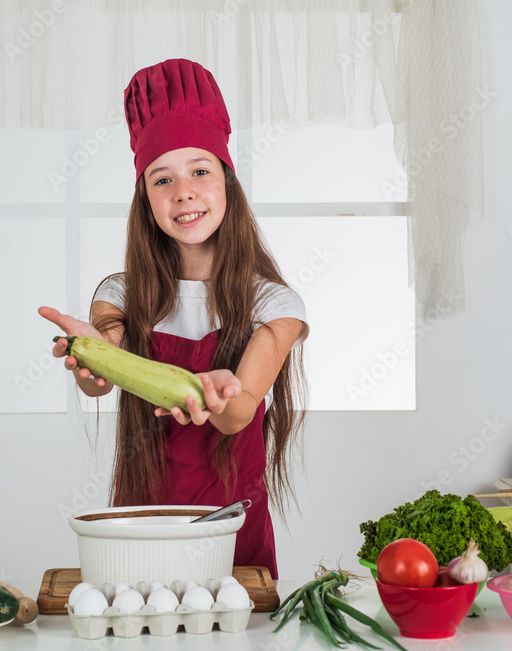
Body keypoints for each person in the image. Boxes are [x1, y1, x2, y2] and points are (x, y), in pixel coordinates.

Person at [39, 58, 307, 578]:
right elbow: (101, 375)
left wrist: (220, 396)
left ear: (228, 182)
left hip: (231, 529)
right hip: (140, 524)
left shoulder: (276, 305)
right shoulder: (119, 295)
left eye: (200, 171)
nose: (183, 191)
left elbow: (238, 414)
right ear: (145, 199)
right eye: (162, 179)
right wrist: (91, 357)